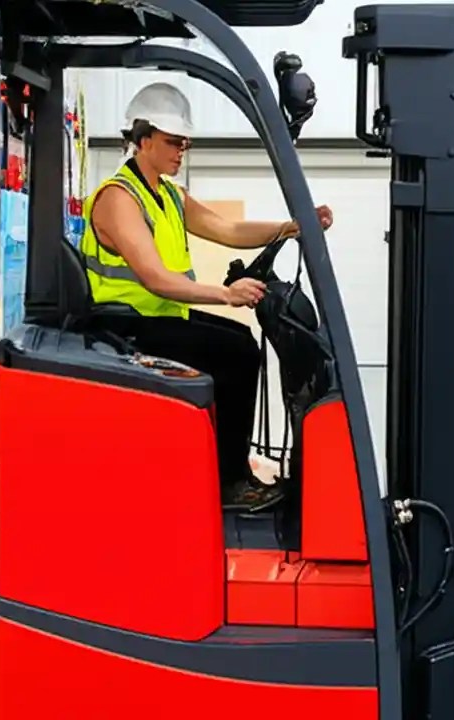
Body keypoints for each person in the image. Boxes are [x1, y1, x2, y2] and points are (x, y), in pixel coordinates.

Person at [78, 82, 334, 511]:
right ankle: (229, 482)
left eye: (185, 143)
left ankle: (225, 465)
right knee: (234, 354)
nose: (182, 151)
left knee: (242, 346)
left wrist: (291, 227)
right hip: (122, 326)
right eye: (173, 142)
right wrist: (225, 294)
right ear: (143, 140)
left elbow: (228, 230)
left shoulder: (168, 195)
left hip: (156, 318)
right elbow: (155, 277)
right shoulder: (119, 199)